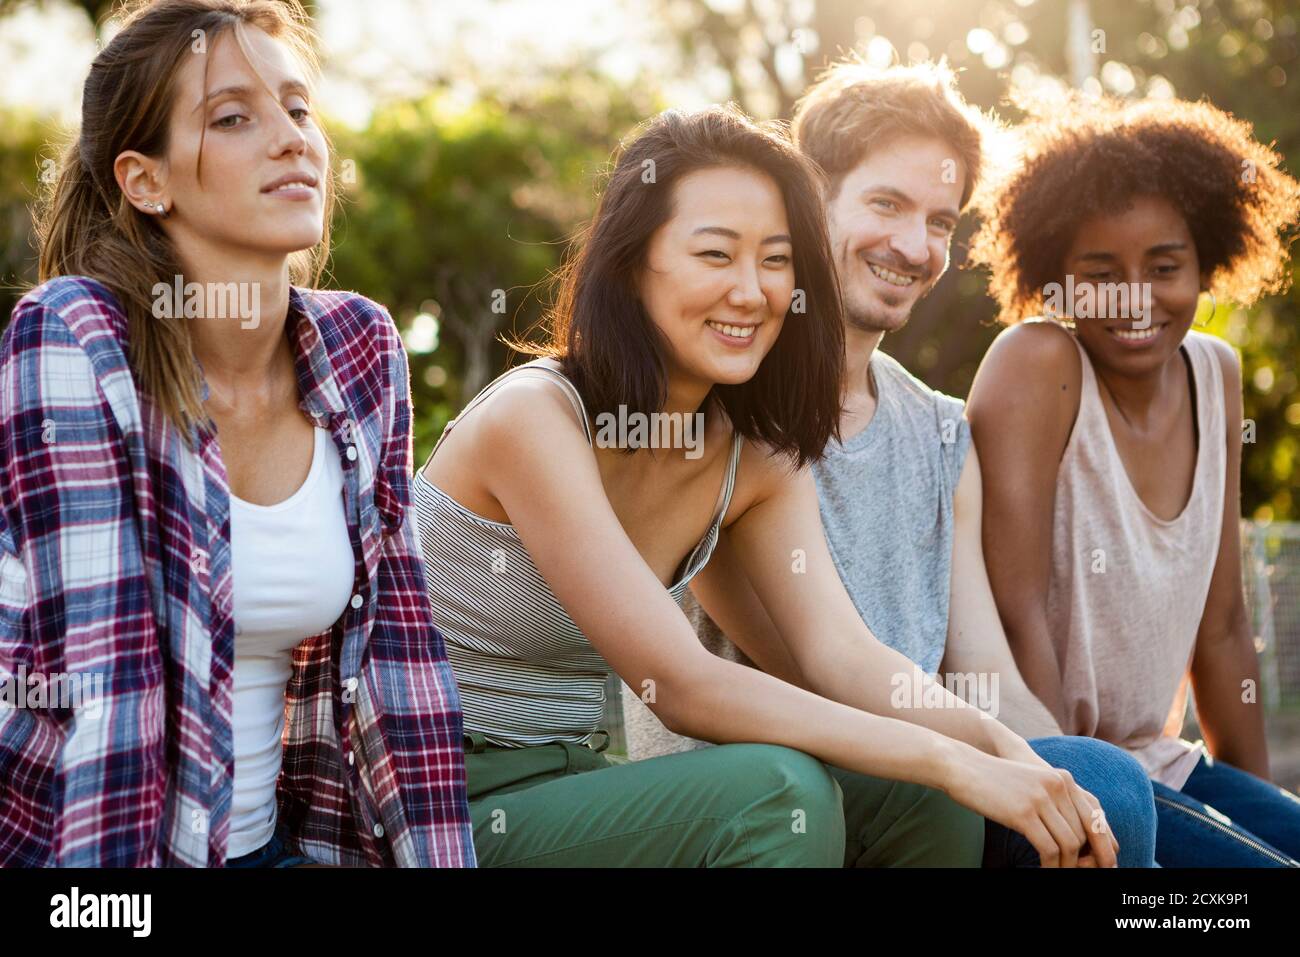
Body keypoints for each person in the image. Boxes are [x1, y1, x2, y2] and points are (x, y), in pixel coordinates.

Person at [414, 101, 1120, 867]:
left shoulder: (753, 459)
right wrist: (946, 756)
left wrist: (1001, 747)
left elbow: (843, 656)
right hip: (438, 797)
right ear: (631, 264)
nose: (752, 292)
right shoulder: (536, 418)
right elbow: (679, 683)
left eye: (776, 260)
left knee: (928, 800)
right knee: (779, 793)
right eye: (716, 255)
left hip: (573, 776)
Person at [620, 59, 1157, 868]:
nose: (915, 245)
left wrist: (1058, 772)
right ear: (809, 198)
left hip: (928, 787)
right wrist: (1017, 766)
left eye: (942, 221)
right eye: (887, 204)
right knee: (1106, 795)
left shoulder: (943, 432)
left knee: (1124, 803)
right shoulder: (722, 405)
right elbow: (817, 666)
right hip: (779, 799)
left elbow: (987, 678)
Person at [0, 0, 474, 867]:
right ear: (146, 181)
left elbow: (402, 669)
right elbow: (106, 687)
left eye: (299, 109)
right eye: (233, 117)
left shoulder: (360, 349)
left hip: (276, 847)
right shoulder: (74, 338)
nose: (294, 139)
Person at [964, 91, 1300, 867]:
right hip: (1052, 773)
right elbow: (1016, 615)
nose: (1134, 298)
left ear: (1208, 261)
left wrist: (1252, 813)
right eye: (1099, 272)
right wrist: (1080, 789)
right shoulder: (1038, 365)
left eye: (1164, 267)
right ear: (1053, 278)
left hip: (1167, 762)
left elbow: (1220, 628)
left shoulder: (1215, 374)